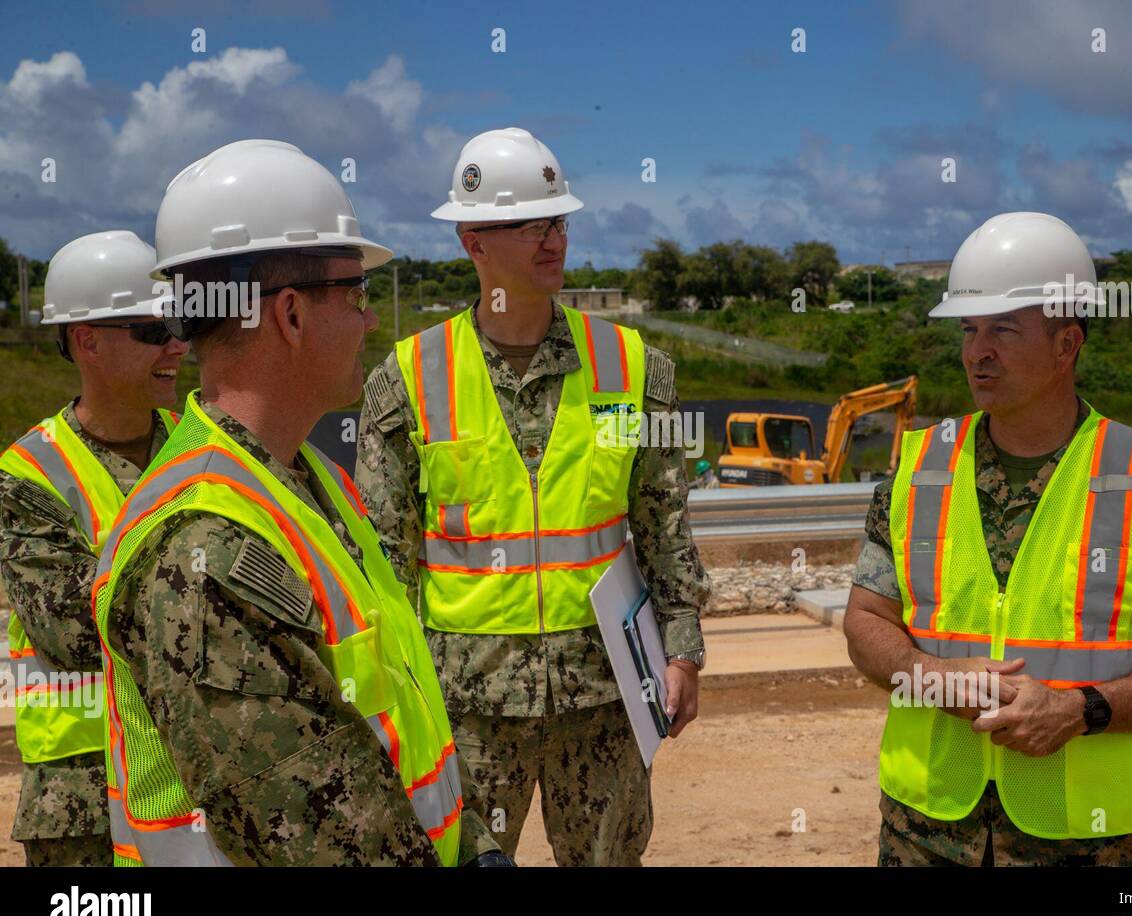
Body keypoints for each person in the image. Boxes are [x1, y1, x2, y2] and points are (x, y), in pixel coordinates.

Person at [93, 139, 504, 866]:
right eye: (356, 295)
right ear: (290, 314)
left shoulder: (308, 480)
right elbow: (324, 840)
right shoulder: (202, 548)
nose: (370, 322)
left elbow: (400, 723)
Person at [356, 127, 710, 865]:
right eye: (530, 224)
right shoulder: (407, 379)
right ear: (473, 240)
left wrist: (683, 655)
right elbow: (385, 566)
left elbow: (665, 526)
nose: (553, 240)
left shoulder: (636, 368)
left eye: (559, 220)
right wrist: (394, 699)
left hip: (607, 696)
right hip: (467, 708)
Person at [842, 211, 1132, 866]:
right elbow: (865, 622)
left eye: (1004, 327)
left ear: (1067, 345)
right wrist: (930, 676)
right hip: (926, 836)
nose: (978, 350)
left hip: (1097, 843)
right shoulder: (916, 471)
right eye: (969, 328)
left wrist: (1082, 710)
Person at [0, 230, 186, 866]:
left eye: (180, 324)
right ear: (88, 341)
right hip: (82, 802)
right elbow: (76, 629)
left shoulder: (206, 447)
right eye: (153, 332)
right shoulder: (29, 473)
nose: (178, 346)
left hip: (192, 773)